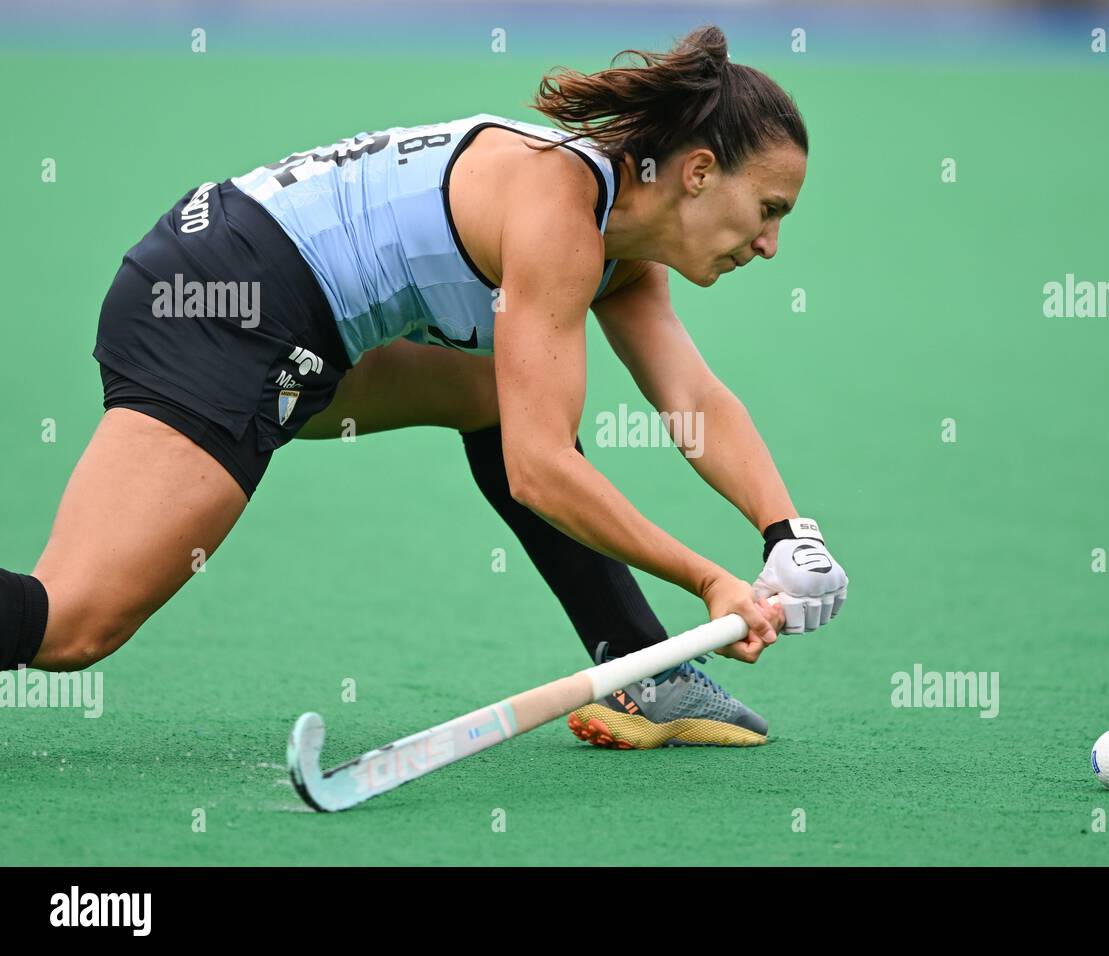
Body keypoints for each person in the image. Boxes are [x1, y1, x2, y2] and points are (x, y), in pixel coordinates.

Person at [0, 24, 847, 750]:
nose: (770, 244)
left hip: (266, 294)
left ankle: (644, 674)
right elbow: (540, 471)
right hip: (221, 310)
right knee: (75, 623)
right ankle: (647, 664)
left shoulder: (621, 242)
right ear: (698, 174)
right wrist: (708, 581)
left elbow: (691, 398)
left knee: (483, 393)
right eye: (770, 209)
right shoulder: (560, 218)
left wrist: (786, 532)